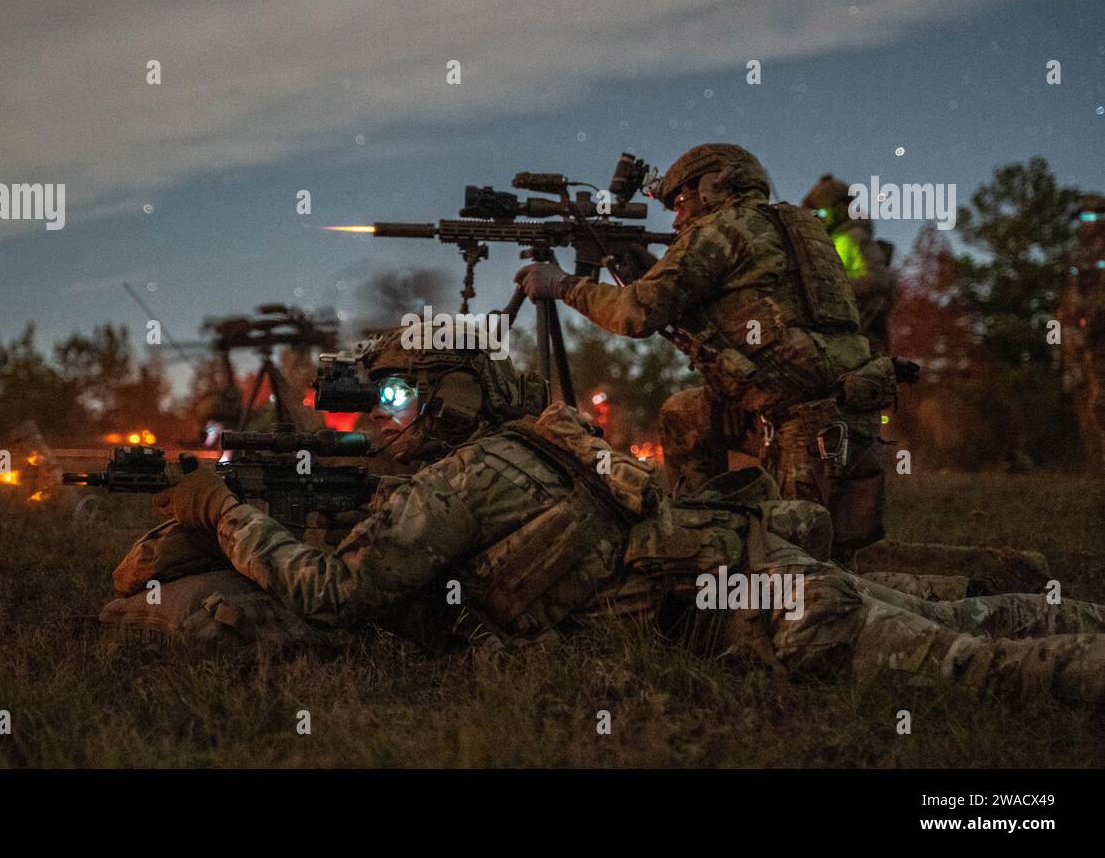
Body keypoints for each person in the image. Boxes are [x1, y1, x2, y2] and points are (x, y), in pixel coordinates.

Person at [112, 332, 1105, 708]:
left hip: (757, 611)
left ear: (450, 399)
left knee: (992, 671)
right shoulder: (544, 432)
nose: (381, 425)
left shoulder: (467, 477)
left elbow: (338, 589)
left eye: (397, 404)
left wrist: (225, 515)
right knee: (992, 621)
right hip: (760, 570)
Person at [514, 143, 894, 562]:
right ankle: (706, 541)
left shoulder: (721, 229)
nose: (677, 216)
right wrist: (646, 272)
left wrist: (561, 285)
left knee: (807, 573)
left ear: (712, 187)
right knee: (685, 416)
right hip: (825, 403)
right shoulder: (798, 227)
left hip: (806, 421)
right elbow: (732, 298)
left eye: (680, 200)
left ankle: (952, 606)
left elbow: (635, 315)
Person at [801, 174, 896, 356]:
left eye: (821, 213)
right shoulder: (837, 239)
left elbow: (878, 280)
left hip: (862, 341)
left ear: (840, 208)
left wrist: (829, 287)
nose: (818, 219)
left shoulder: (853, 237)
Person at [1058, 194, 1105, 471]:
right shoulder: (1077, 256)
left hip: (1099, 339)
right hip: (1080, 341)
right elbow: (1068, 301)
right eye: (1084, 217)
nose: (1089, 223)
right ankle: (1097, 465)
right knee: (1085, 404)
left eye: (1095, 216)